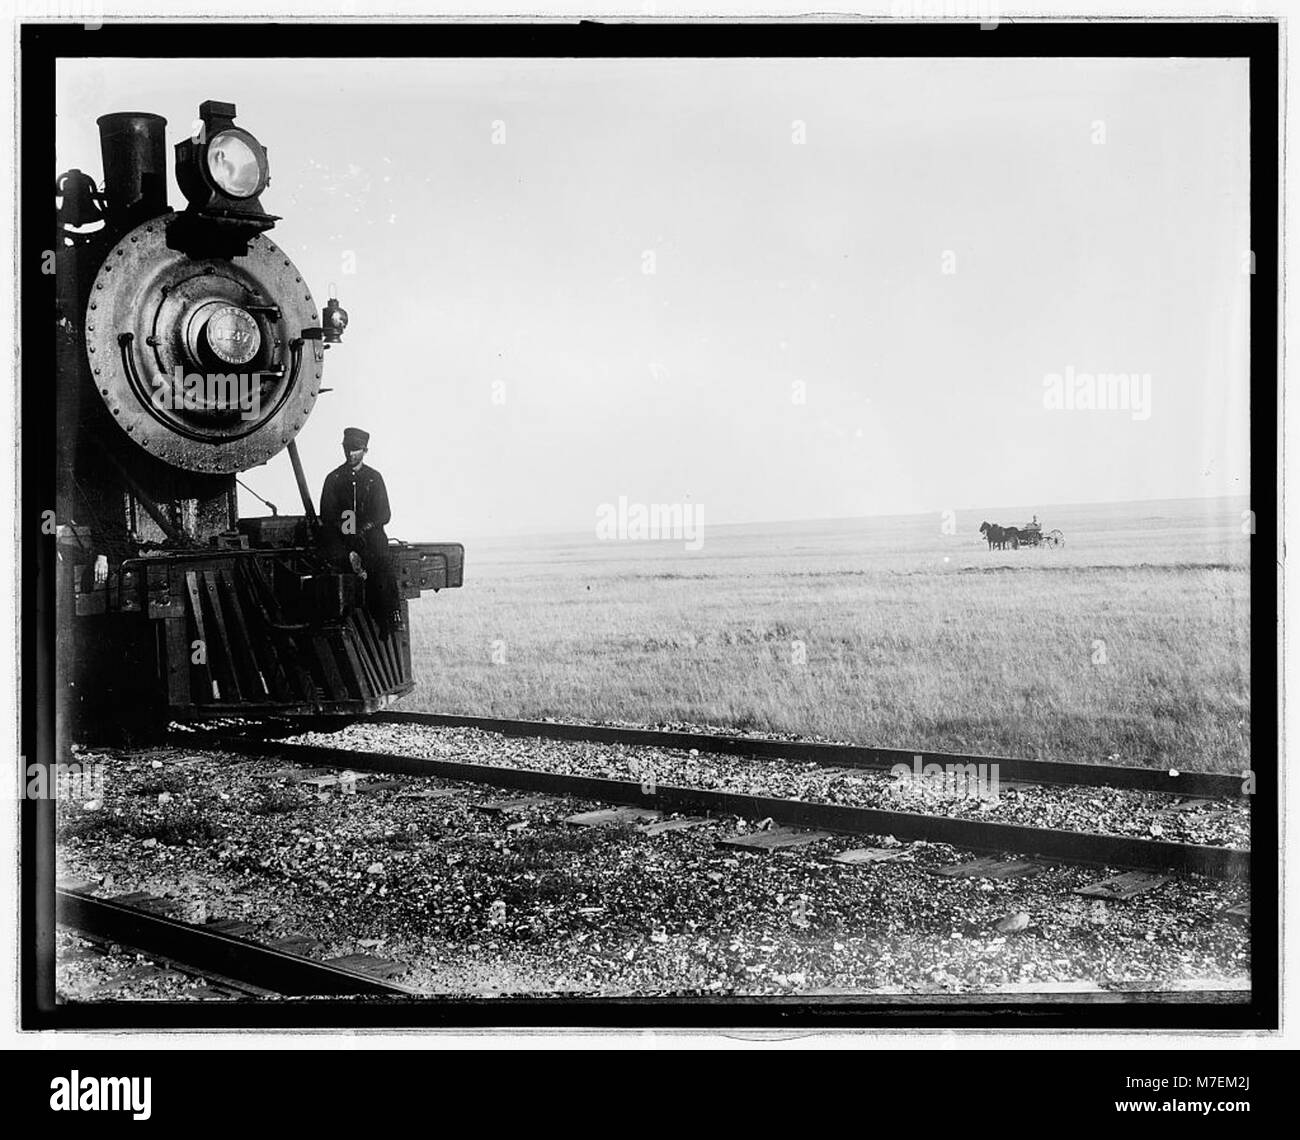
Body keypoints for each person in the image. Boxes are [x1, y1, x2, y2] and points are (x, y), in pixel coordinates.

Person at [319, 427, 402, 632]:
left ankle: (392, 612)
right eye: (347, 448)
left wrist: (364, 528)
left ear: (365, 450)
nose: (350, 453)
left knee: (383, 561)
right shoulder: (334, 478)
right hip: (341, 535)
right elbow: (328, 513)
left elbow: (384, 513)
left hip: (370, 535)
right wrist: (349, 529)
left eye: (355, 449)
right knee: (336, 560)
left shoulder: (375, 478)